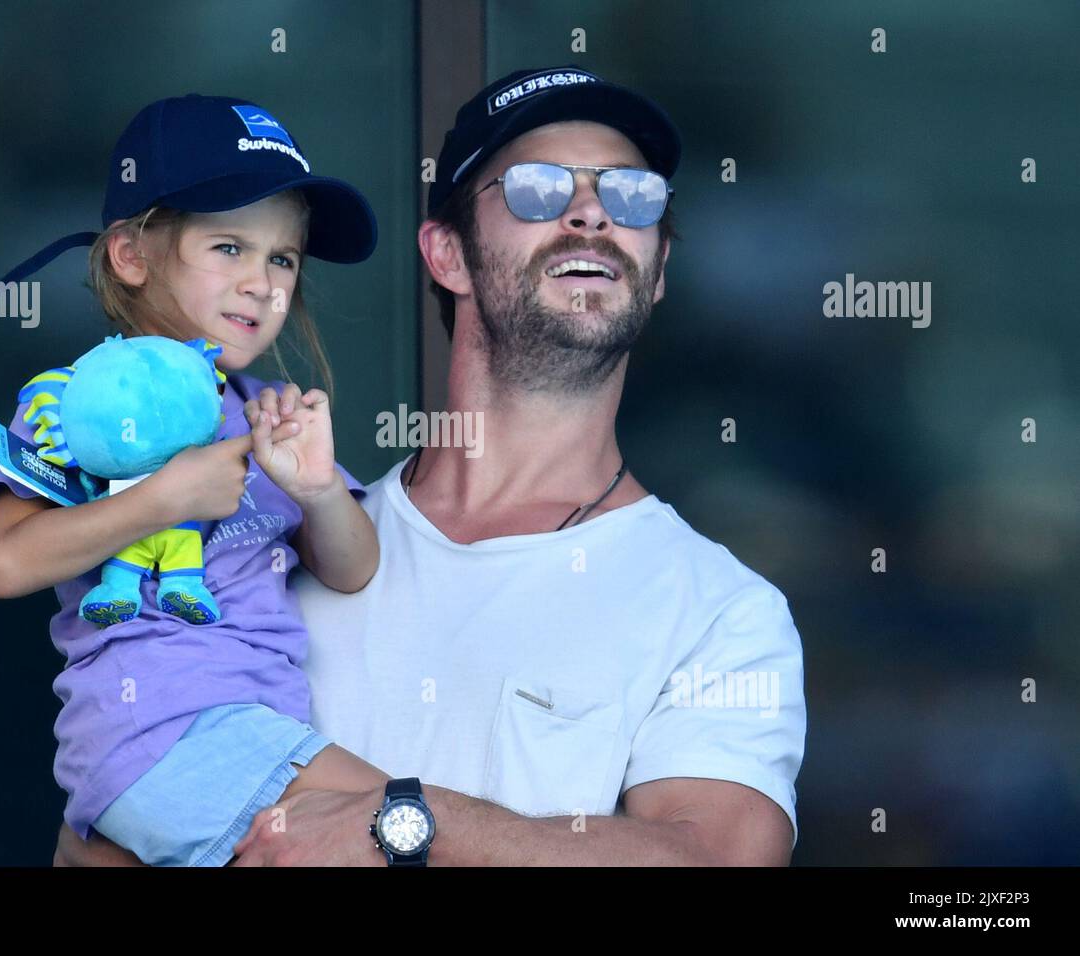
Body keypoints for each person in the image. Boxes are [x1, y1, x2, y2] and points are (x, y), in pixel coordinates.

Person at [58, 66, 807, 867]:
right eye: (538, 188)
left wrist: (410, 822)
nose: (592, 211)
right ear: (447, 255)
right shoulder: (264, 541)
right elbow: (106, 824)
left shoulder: (719, 610)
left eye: (631, 195)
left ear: (656, 272)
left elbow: (719, 861)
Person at [0, 95, 392, 868]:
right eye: (229, 247)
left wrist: (316, 491)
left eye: (282, 258)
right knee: (419, 834)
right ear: (132, 256)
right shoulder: (79, 403)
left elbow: (354, 568)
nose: (263, 283)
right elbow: (4, 564)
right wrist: (163, 499)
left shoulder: (260, 414)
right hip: (160, 732)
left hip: (255, 737)